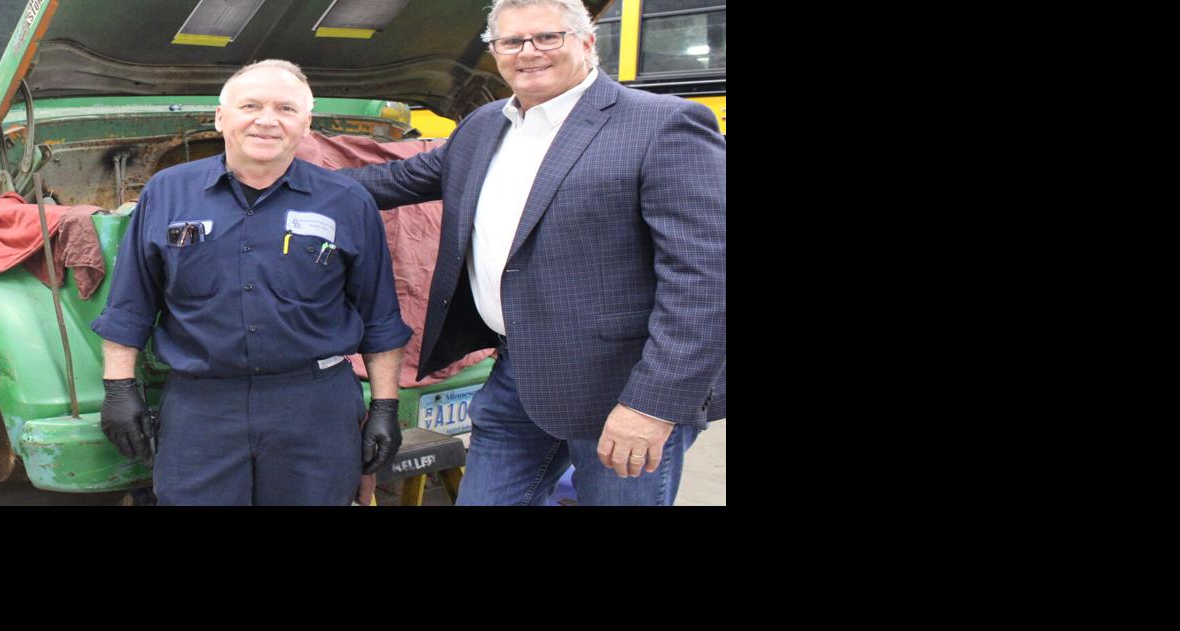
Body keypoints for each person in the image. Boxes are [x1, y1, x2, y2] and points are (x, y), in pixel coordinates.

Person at [344, 0, 726, 506]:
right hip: (513, 377)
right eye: (511, 42)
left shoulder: (663, 125)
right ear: (495, 52)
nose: (528, 53)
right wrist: (278, 179)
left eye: (547, 38)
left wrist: (651, 406)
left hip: (620, 391)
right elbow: (392, 181)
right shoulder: (484, 126)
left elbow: (706, 281)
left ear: (587, 42)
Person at [92, 60, 412, 505]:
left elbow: (380, 319)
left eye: (285, 108)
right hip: (201, 410)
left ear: (305, 124)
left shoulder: (347, 202)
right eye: (250, 105)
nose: (267, 119)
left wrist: (385, 407)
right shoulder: (167, 193)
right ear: (221, 117)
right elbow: (131, 306)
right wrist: (119, 390)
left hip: (315, 408)